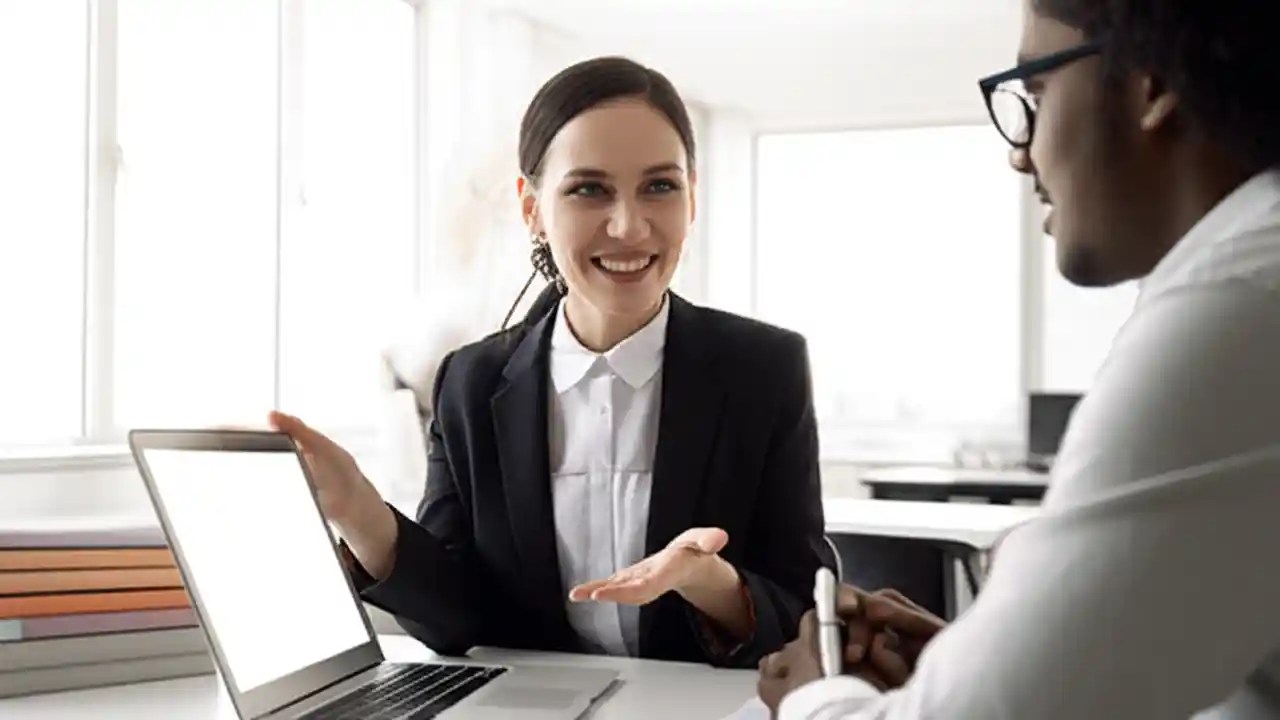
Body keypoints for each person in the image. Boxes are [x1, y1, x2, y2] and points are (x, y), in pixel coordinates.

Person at [759, 0, 1280, 717]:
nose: (1019, 153)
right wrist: (980, 662)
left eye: (1035, 91)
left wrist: (813, 697)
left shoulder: (1235, 303)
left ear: (1151, 84)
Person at [270, 56, 831, 668]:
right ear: (532, 208)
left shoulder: (764, 370)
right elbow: (456, 618)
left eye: (659, 187)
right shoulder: (471, 382)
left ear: (691, 199)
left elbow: (806, 615)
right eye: (589, 189)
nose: (629, 226)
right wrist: (358, 510)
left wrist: (708, 582)